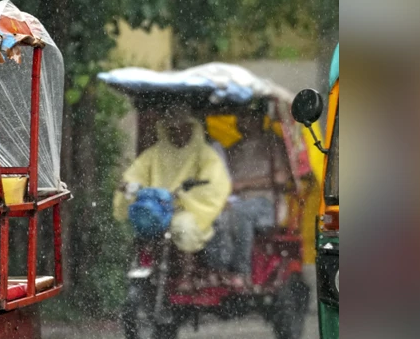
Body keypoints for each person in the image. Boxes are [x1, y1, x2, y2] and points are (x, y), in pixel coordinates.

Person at [114, 106, 232, 291]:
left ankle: (186, 274)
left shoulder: (205, 154)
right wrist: (127, 184)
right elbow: (136, 173)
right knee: (142, 225)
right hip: (157, 208)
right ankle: (144, 266)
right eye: (172, 129)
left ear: (191, 128)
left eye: (182, 128)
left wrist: (187, 197)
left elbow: (213, 183)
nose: (177, 133)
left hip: (187, 210)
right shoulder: (155, 153)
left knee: (184, 227)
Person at [214, 110, 290, 288]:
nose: (242, 120)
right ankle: (217, 270)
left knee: (241, 211)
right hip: (235, 203)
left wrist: (244, 184)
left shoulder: (272, 143)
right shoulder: (233, 149)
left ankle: (242, 272)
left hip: (266, 203)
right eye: (240, 116)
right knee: (213, 215)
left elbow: (281, 177)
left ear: (258, 119)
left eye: (248, 116)